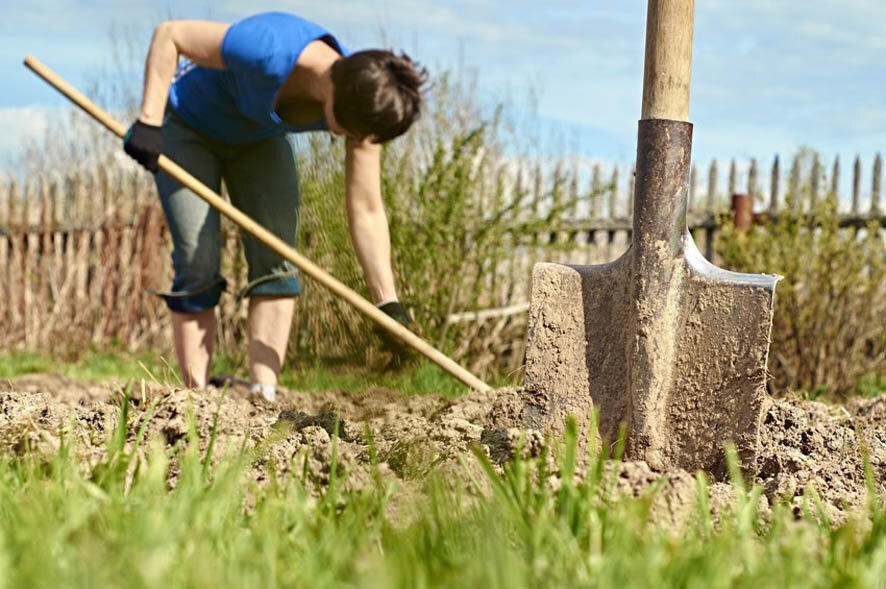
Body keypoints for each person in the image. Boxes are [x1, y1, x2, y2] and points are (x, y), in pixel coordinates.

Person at [123, 12, 424, 401]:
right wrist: (149, 120)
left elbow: (366, 209)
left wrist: (388, 303)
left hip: (258, 139)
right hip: (188, 127)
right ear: (335, 90)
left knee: (278, 255)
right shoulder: (265, 48)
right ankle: (194, 397)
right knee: (198, 260)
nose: (353, 139)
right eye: (349, 129)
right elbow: (171, 35)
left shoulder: (366, 108)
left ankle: (262, 394)